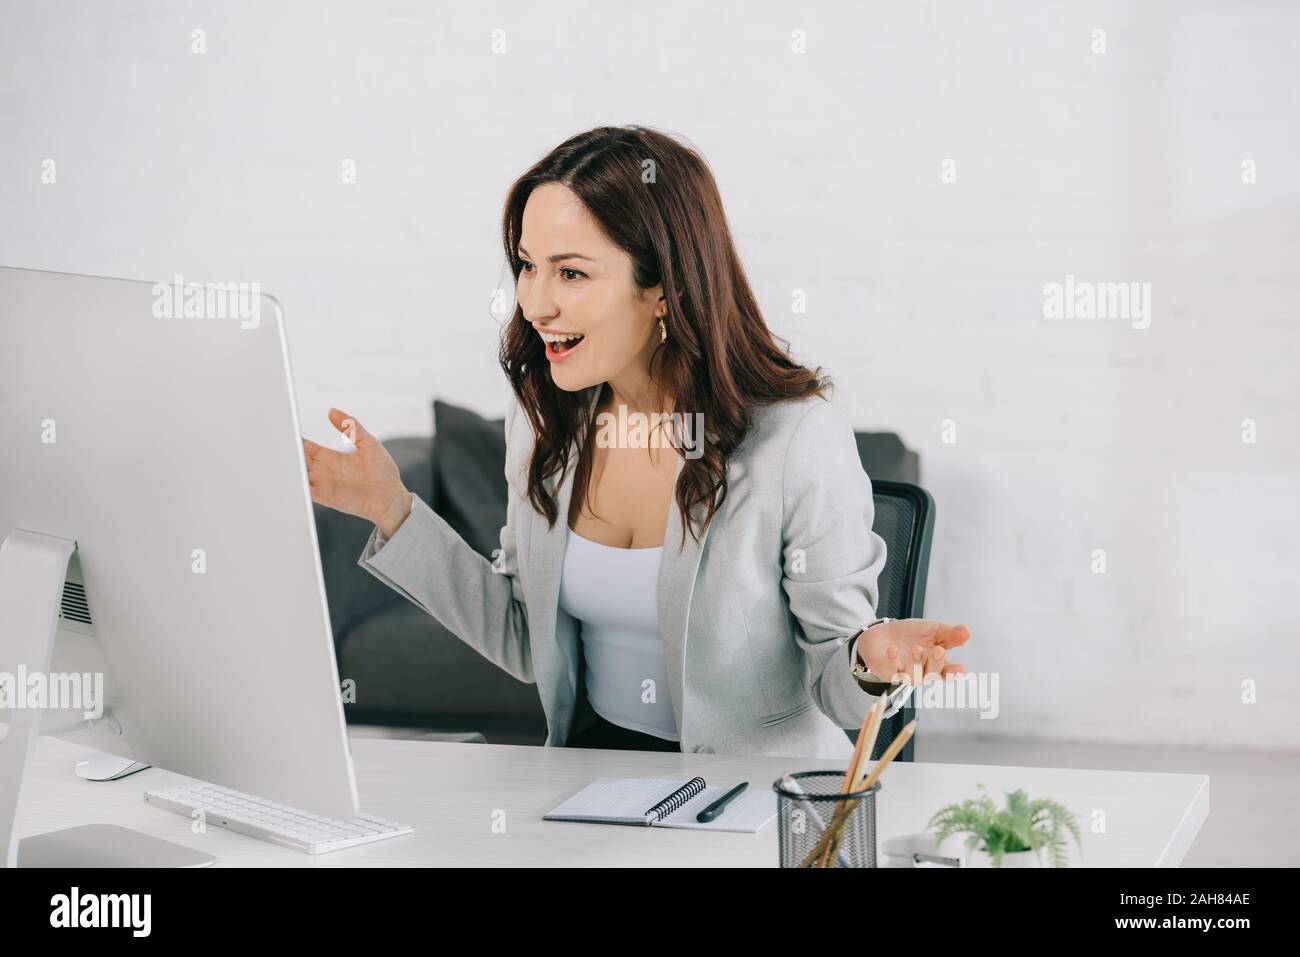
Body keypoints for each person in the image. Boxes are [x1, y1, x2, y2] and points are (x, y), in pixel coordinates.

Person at [303, 125, 971, 759]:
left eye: (570, 273)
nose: (534, 303)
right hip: (588, 781)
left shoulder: (795, 438)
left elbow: (837, 681)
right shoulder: (542, 422)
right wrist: (392, 508)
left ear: (661, 288)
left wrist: (868, 657)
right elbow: (525, 637)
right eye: (527, 266)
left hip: (745, 799)